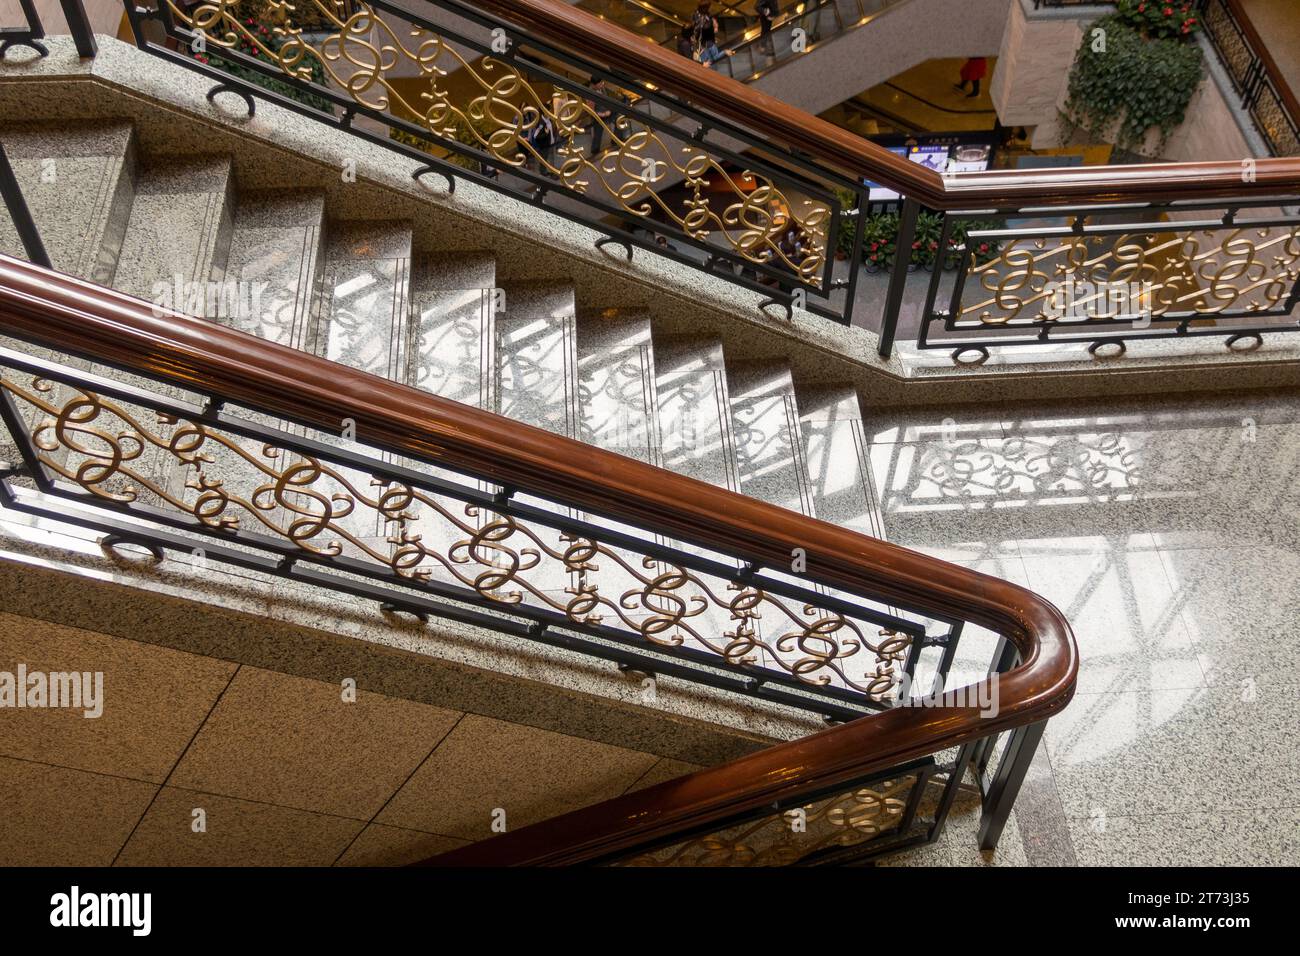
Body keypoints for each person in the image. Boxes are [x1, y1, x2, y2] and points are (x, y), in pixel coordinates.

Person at [692, 2, 730, 68]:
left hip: (704, 44)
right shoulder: (702, 20)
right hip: (704, 45)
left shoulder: (700, 15)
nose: (716, 29)